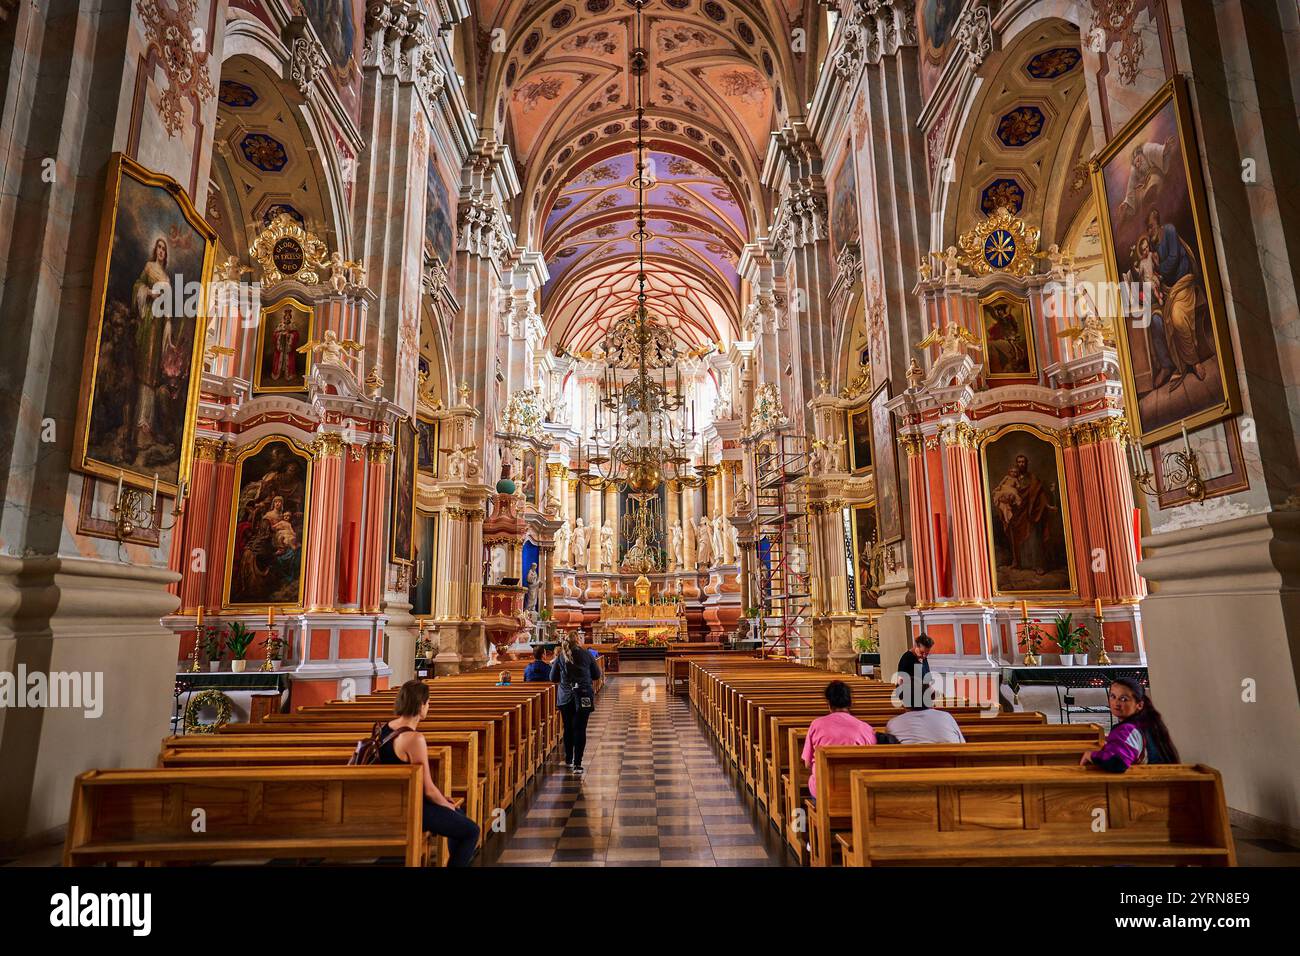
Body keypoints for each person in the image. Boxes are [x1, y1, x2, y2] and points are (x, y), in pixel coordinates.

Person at [377, 680, 481, 866]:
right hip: (413, 807)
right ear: (421, 704)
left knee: (460, 815)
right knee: (471, 831)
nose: (429, 706)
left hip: (389, 802)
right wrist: (445, 804)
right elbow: (428, 790)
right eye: (428, 702)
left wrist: (445, 801)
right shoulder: (414, 739)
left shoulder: (385, 727)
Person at [1081, 677, 1180, 772]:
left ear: (1139, 705)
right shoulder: (1147, 723)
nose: (1116, 703)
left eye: (1124, 699)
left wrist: (1091, 755)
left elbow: (1117, 761)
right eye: (1113, 696)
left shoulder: (1127, 730)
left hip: (1144, 786)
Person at [801, 681, 875, 799]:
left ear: (829, 704)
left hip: (823, 790)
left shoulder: (816, 725)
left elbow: (807, 763)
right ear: (850, 703)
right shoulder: (866, 728)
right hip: (857, 790)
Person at [551, 634, 601, 774]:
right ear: (578, 641)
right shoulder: (587, 654)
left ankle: (568, 759)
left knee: (568, 728)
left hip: (565, 697)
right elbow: (597, 675)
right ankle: (578, 764)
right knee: (580, 729)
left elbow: (552, 677)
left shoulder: (561, 656)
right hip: (583, 694)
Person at [886, 699, 966, 745]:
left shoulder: (893, 723)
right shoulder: (946, 717)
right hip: (951, 770)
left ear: (904, 703)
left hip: (909, 770)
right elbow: (962, 745)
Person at [895, 634, 934, 708]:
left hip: (923, 699)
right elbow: (900, 683)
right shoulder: (906, 659)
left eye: (927, 653)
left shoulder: (923, 658)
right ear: (916, 646)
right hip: (911, 702)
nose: (924, 656)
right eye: (922, 652)